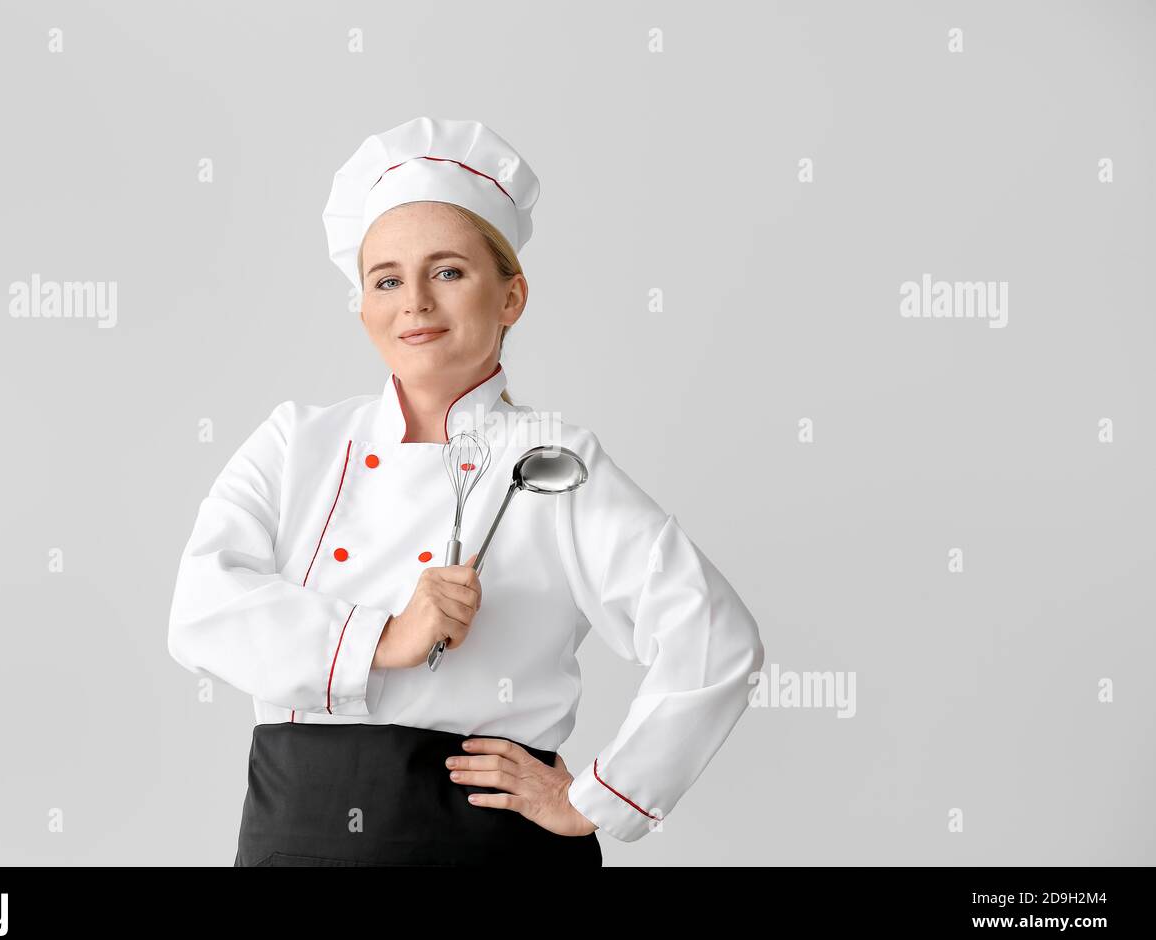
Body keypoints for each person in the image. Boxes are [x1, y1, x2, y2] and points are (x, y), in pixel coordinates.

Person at [167, 117, 764, 866]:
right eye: (385, 279)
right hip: (296, 829)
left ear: (511, 296)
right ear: (362, 305)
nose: (413, 301)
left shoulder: (552, 458)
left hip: (475, 840)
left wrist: (598, 798)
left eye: (447, 272)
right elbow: (199, 609)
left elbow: (714, 637)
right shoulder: (296, 443)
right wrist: (385, 638)